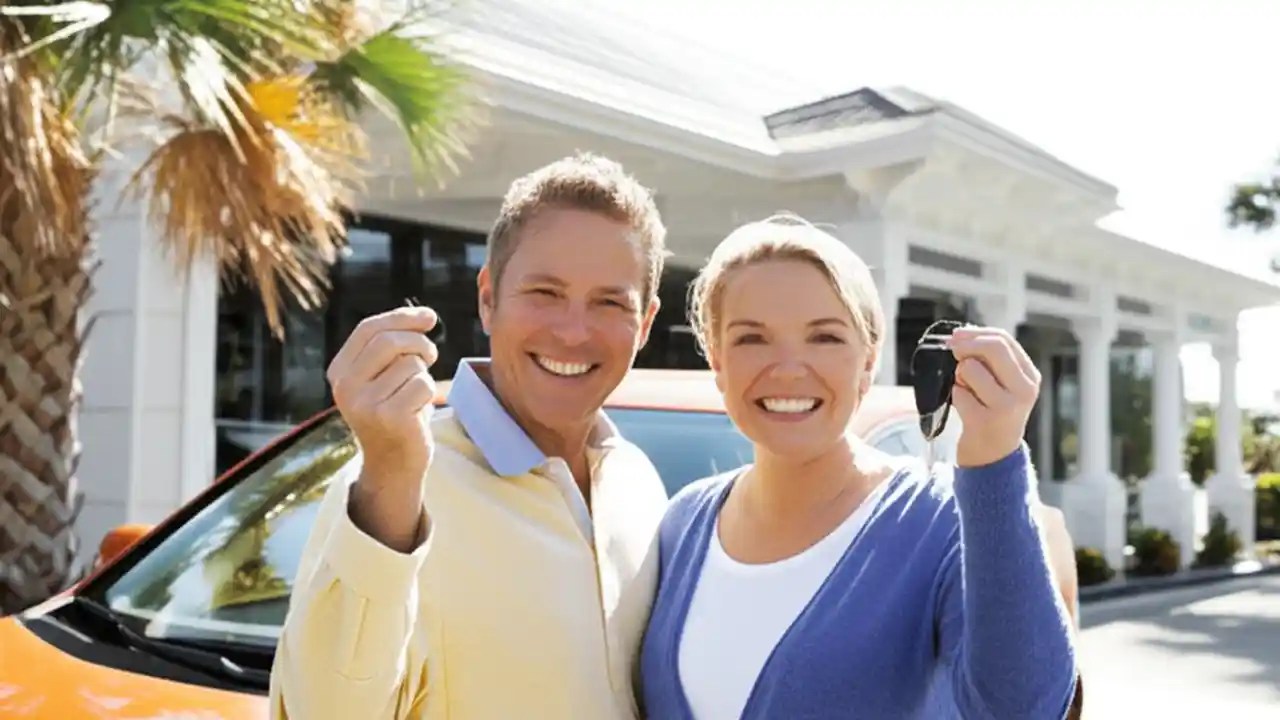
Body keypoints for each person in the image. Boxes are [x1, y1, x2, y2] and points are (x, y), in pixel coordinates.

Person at [270, 153, 672, 719]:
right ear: (488, 299)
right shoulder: (395, 491)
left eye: (609, 302)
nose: (572, 332)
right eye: (545, 292)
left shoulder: (639, 484)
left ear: (646, 323)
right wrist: (390, 477)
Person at [639, 214, 1080, 719]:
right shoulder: (682, 523)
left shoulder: (940, 521)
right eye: (751, 339)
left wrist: (996, 460)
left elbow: (1026, 706)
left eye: (824, 337)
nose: (788, 369)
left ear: (868, 361)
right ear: (717, 361)